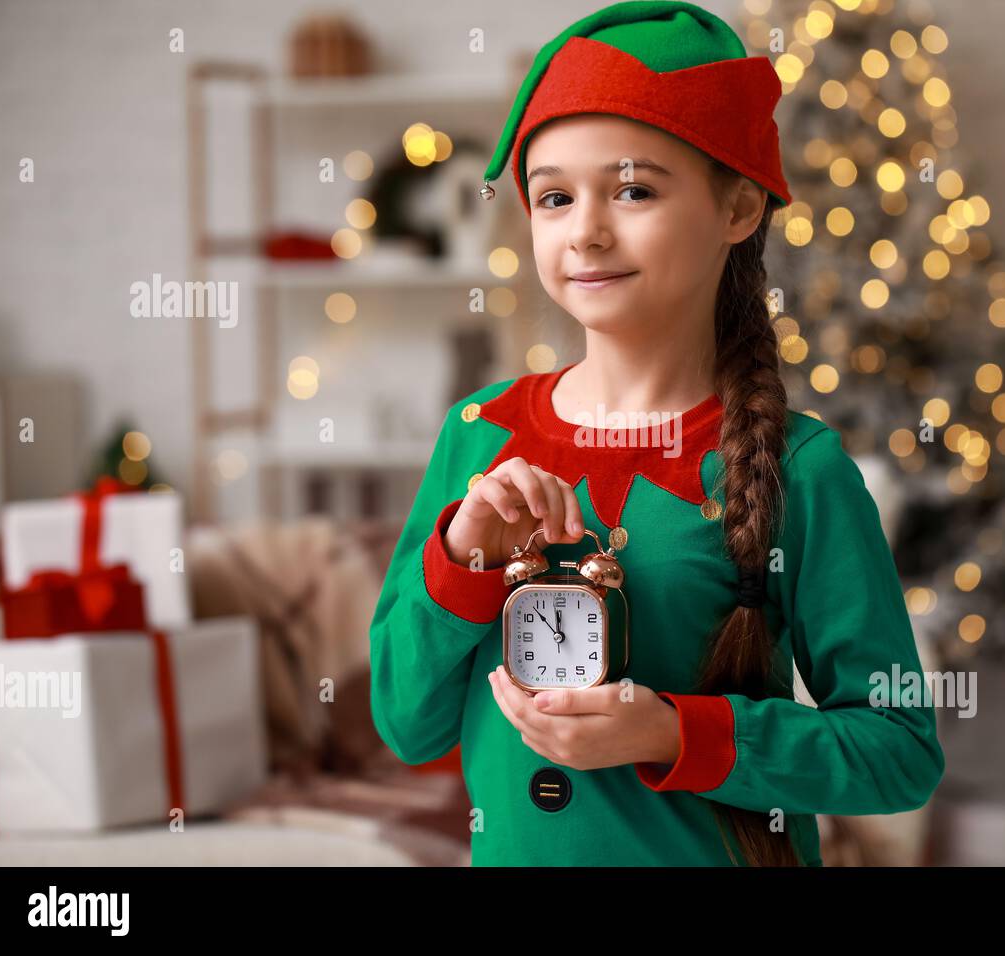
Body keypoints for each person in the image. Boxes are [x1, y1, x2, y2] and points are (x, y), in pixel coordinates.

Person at [369, 0, 943, 867]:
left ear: (739, 208)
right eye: (554, 196)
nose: (586, 232)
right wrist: (462, 559)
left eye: (634, 189)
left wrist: (674, 734)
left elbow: (899, 754)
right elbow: (405, 728)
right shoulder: (477, 433)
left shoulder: (803, 468)